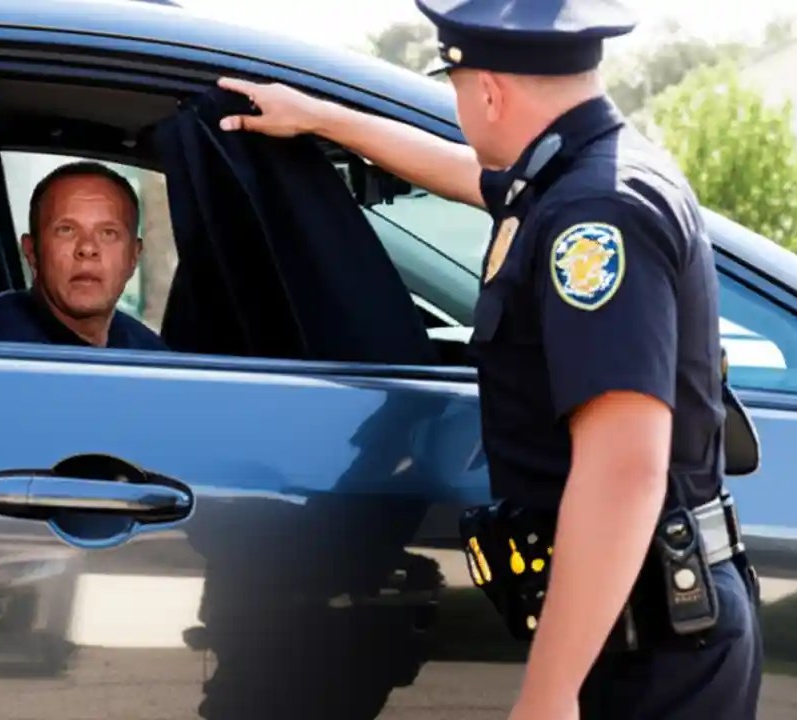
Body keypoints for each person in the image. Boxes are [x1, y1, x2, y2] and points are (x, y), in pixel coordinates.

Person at [213, 1, 762, 718]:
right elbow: (466, 174)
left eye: (456, 84)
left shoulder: (595, 216)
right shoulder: (575, 178)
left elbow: (625, 467)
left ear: (490, 91)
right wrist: (321, 118)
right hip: (642, 625)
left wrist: (549, 692)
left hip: (651, 649)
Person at [0, 161, 166, 351]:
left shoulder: (150, 353)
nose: (87, 249)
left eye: (108, 233)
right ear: (31, 251)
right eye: (66, 230)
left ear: (134, 256)